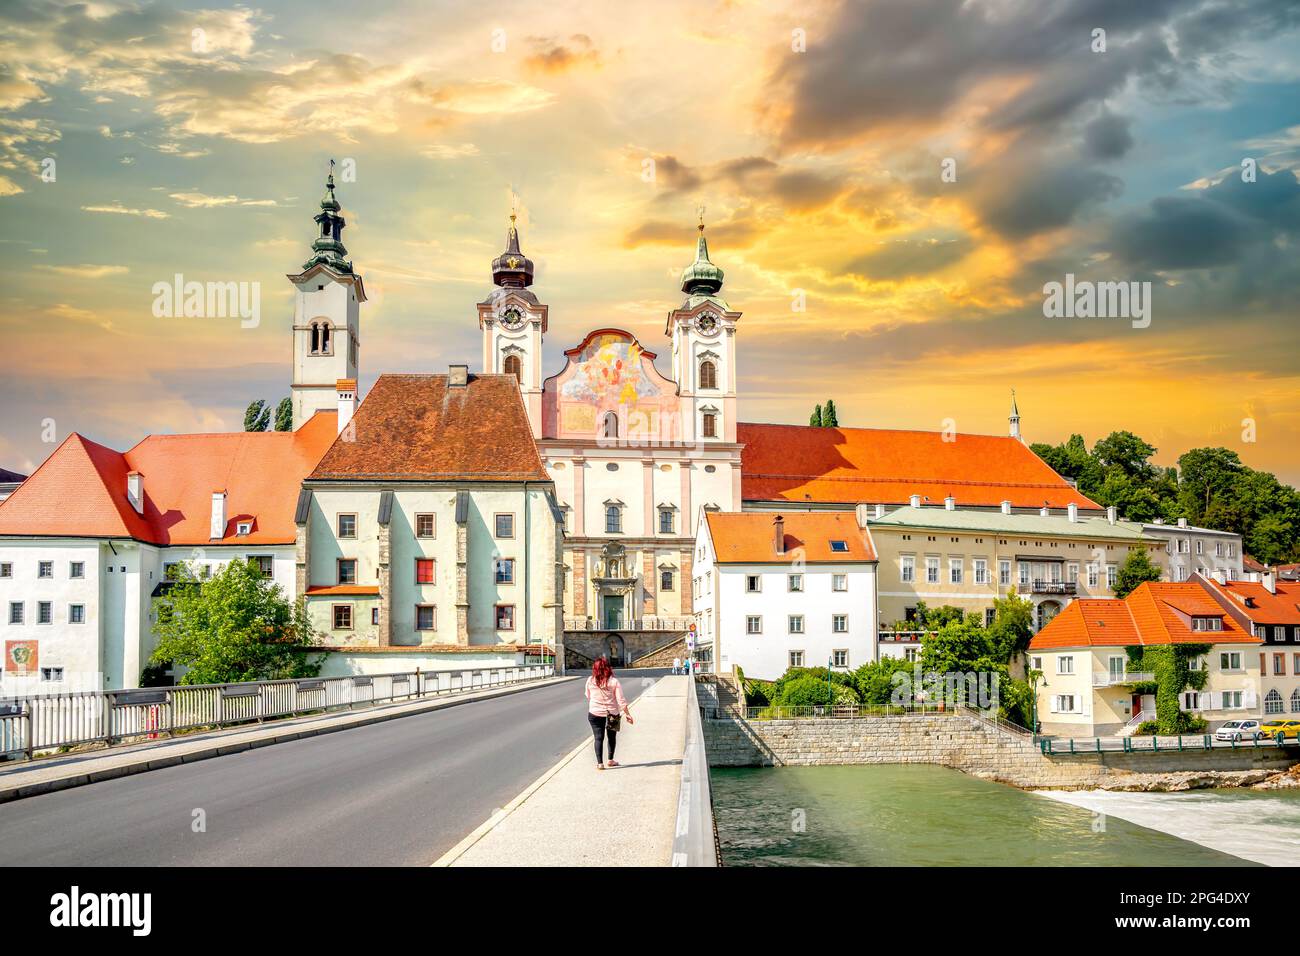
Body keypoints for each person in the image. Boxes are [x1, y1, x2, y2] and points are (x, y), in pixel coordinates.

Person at [585, 657, 632, 769]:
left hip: (594, 713)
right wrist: (628, 714)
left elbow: (588, 696)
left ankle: (600, 763)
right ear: (607, 668)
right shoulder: (614, 681)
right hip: (612, 713)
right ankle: (610, 760)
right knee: (611, 737)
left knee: (598, 738)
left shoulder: (590, 680)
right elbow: (621, 700)